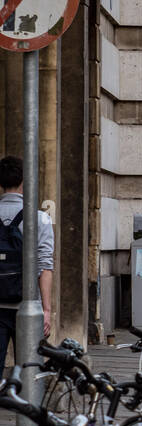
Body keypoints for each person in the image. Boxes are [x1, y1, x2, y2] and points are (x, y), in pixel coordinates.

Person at [0, 155, 53, 365]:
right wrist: (46, 310)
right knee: (30, 370)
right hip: (27, 304)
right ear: (24, 181)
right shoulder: (40, 218)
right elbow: (45, 265)